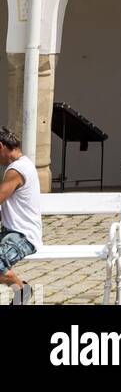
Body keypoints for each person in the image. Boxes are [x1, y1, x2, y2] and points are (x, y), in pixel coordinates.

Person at [0, 126, 41, 304]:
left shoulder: (16, 170)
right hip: (12, 232)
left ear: (1, 146)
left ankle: (22, 290)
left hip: (23, 236)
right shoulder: (23, 164)